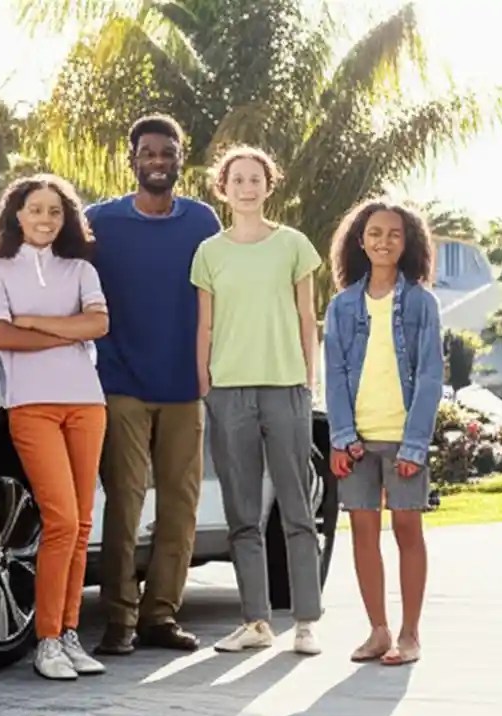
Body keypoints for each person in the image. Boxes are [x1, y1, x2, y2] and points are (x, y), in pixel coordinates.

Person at [84, 114, 221, 655]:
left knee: (180, 506)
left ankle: (160, 615)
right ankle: (119, 619)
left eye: (167, 152)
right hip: (121, 383)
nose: (158, 161)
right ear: (133, 160)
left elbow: (220, 293)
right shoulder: (101, 222)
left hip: (185, 385)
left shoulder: (202, 221)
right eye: (148, 153)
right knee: (124, 502)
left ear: (181, 159)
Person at [0, 174, 111, 680]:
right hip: (31, 405)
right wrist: (65, 334)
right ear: (17, 214)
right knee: (60, 520)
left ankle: (69, 633)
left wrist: (32, 322)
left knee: (81, 525)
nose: (45, 219)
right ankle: (46, 641)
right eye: (36, 210)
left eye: (55, 211)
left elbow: (98, 325)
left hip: (87, 404)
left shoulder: (80, 269)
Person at [190, 146, 325, 655]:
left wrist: (307, 380)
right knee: (242, 513)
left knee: (296, 509)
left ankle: (306, 623)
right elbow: (204, 324)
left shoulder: (293, 245)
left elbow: (306, 317)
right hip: (228, 392)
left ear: (269, 185)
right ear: (222, 189)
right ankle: (255, 623)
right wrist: (205, 384)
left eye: (255, 179)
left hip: (286, 388)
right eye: (238, 180)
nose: (247, 188)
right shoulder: (209, 253)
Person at [323, 198, 442, 667]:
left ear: (408, 242)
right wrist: (340, 438)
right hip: (356, 440)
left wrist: (415, 444)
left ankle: (410, 634)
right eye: (375, 233)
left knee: (408, 528)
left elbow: (429, 375)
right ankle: (378, 630)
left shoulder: (421, 303)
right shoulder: (341, 306)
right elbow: (334, 375)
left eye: (394, 233)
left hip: (403, 437)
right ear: (360, 241)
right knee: (363, 532)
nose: (384, 241)